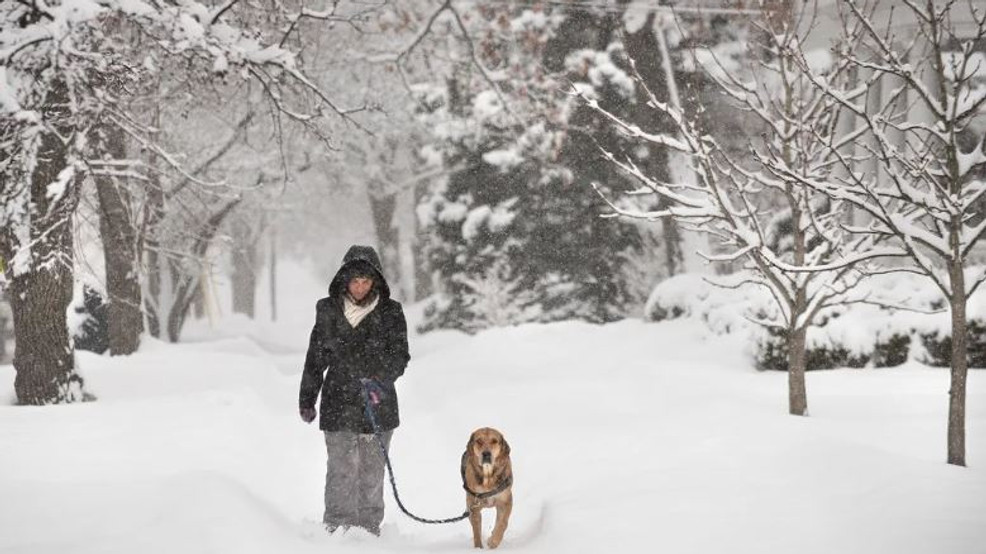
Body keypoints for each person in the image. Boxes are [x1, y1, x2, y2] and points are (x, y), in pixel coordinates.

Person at [299, 245, 410, 536]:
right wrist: (307, 399)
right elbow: (315, 358)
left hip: (378, 402)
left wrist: (380, 378)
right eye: (355, 281)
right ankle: (337, 528)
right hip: (338, 400)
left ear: (375, 281)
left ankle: (368, 529)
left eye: (366, 281)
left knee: (372, 470)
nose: (360, 287)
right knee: (341, 468)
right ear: (344, 280)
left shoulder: (391, 312)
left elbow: (400, 355)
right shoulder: (328, 310)